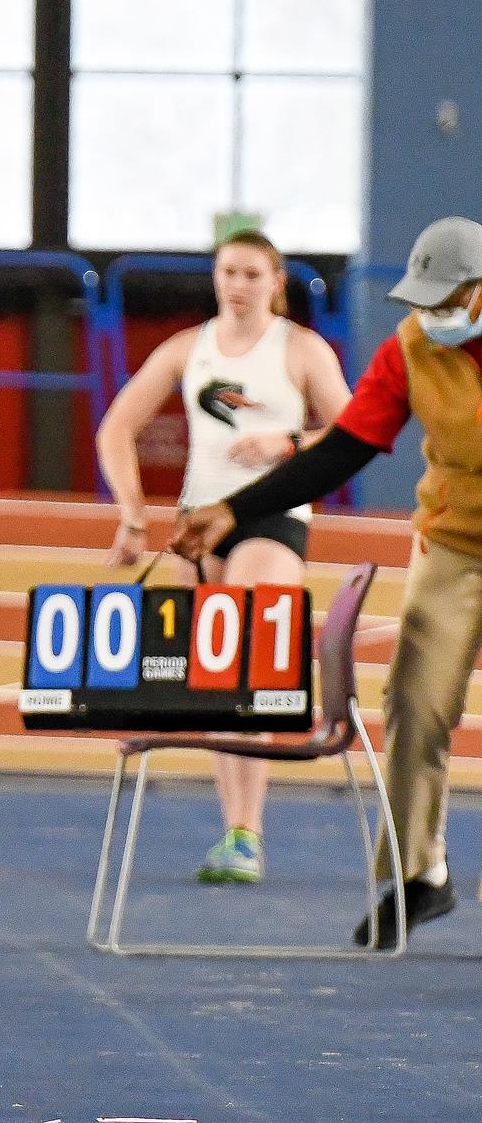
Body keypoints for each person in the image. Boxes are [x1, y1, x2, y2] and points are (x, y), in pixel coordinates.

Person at [174, 215, 482, 947]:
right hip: (457, 540)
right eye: (424, 301)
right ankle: (421, 875)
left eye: (447, 302)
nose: (431, 316)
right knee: (413, 696)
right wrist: (232, 510)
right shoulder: (410, 348)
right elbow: (342, 450)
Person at [96, 232, 351, 885]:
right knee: (216, 681)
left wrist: (287, 441)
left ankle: (250, 831)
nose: (237, 285)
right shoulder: (190, 348)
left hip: (272, 517)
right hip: (199, 522)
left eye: (251, 274)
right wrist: (132, 513)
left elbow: (356, 431)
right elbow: (116, 427)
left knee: (246, 657)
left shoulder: (300, 349)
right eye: (227, 272)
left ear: (275, 282)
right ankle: (235, 829)